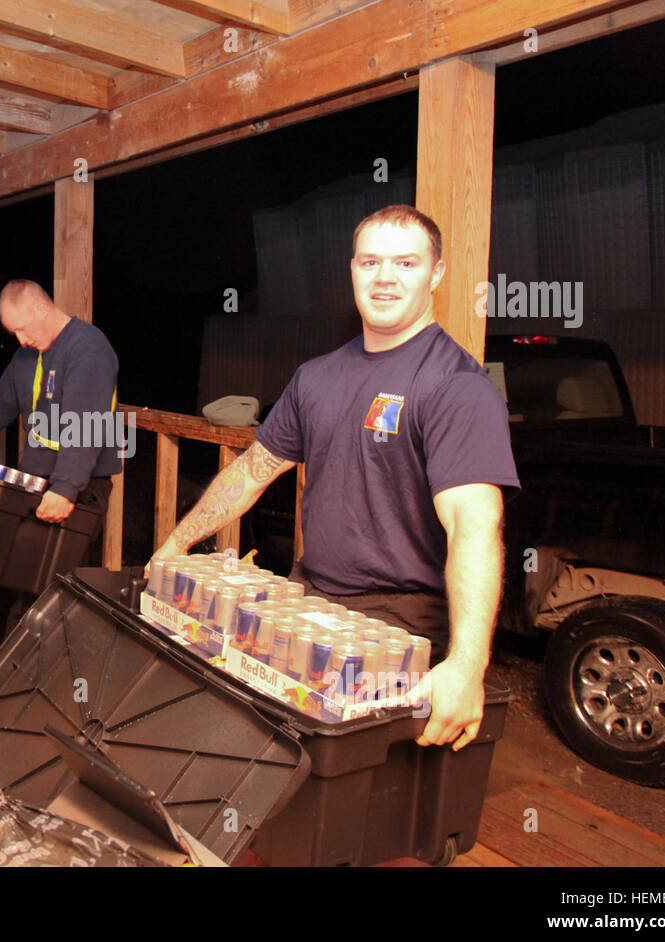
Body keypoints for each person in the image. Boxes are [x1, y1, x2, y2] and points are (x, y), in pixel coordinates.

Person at [151, 205, 520, 752]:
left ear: (436, 274)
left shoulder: (455, 386)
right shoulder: (317, 377)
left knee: (353, 787)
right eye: (370, 261)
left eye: (406, 263)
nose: (385, 278)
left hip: (400, 622)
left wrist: (466, 666)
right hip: (310, 595)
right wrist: (177, 545)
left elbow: (475, 524)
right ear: (352, 270)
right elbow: (252, 471)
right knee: (265, 755)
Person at [0, 279, 122, 696]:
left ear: (40, 308)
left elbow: (84, 426)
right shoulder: (25, 358)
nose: (19, 339)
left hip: (76, 490)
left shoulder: (88, 350)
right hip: (32, 484)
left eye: (21, 328)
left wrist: (66, 489)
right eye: (12, 333)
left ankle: (47, 695)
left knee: (52, 594)